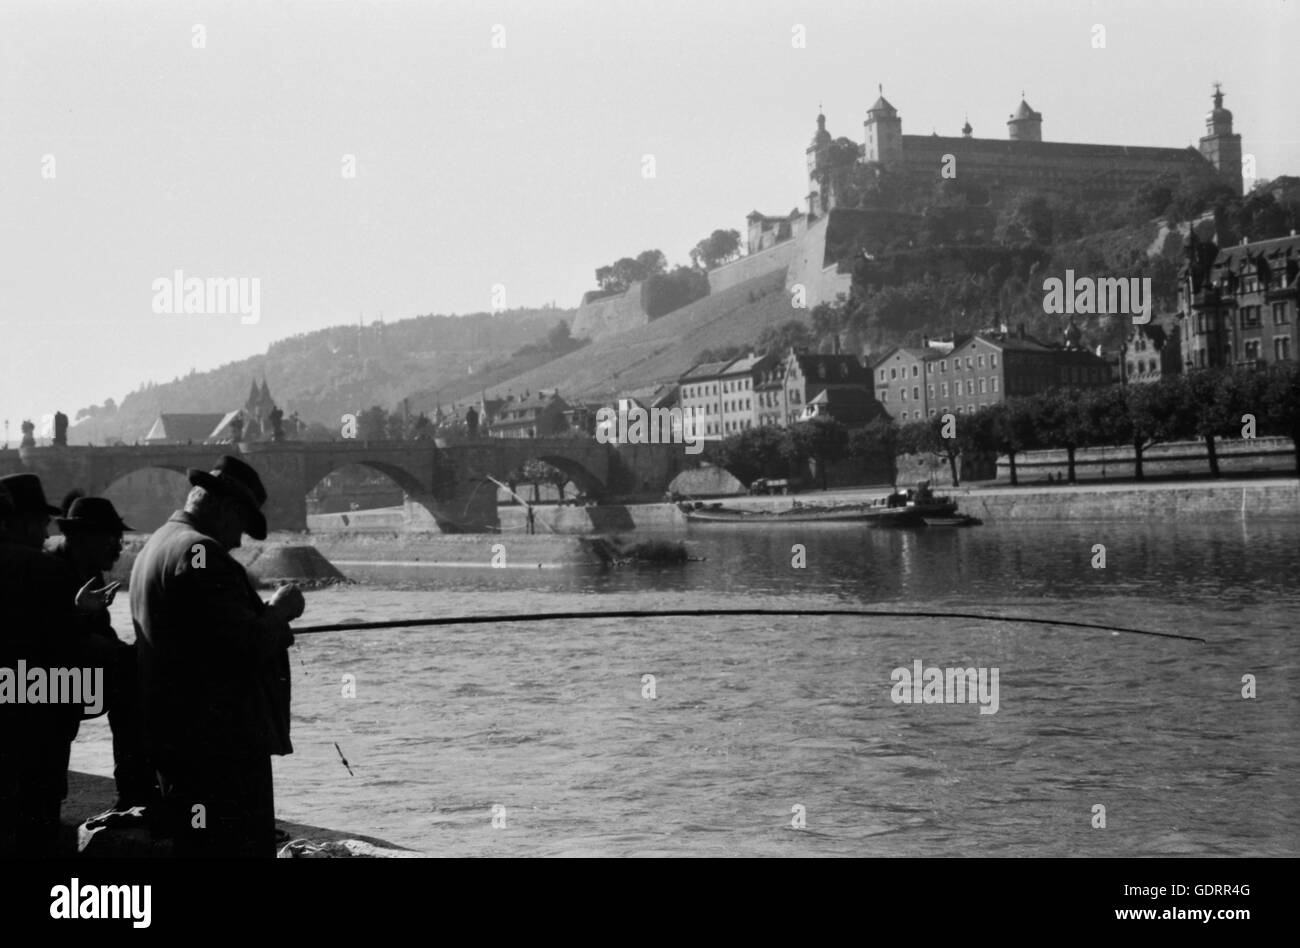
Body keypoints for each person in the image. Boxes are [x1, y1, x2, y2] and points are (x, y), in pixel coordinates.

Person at [130, 455, 304, 857]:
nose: (239, 541)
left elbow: (207, 636)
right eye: (241, 526)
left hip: (178, 747)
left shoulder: (157, 544)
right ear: (226, 508)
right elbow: (244, 646)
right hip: (220, 754)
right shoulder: (201, 553)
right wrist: (280, 610)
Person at [46, 495, 157, 812]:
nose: (119, 547)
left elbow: (100, 635)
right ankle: (135, 790)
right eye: (113, 539)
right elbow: (60, 638)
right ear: (84, 538)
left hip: (63, 681)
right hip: (43, 684)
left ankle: (136, 789)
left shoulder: (87, 570)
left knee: (134, 674)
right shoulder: (52, 570)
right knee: (133, 685)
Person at [0, 473, 88, 856]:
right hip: (36, 738)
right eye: (38, 524)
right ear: (13, 522)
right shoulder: (44, 571)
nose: (42, 536)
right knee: (34, 833)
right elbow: (70, 659)